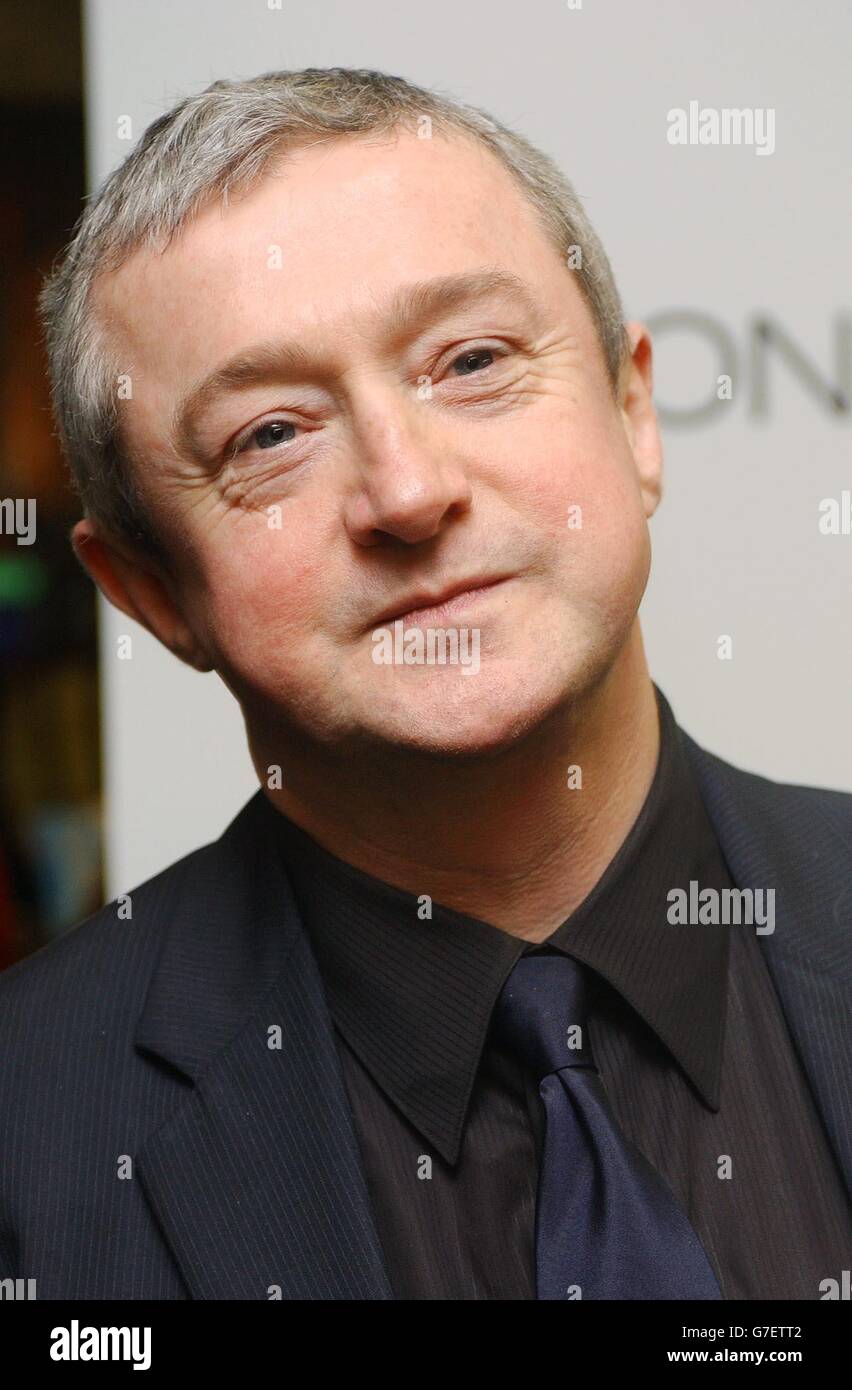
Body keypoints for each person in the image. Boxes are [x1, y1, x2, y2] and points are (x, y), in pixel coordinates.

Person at [0, 67, 849, 1301]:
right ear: (150, 593)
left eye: (472, 358)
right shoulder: (29, 1146)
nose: (407, 489)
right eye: (271, 435)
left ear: (633, 410)